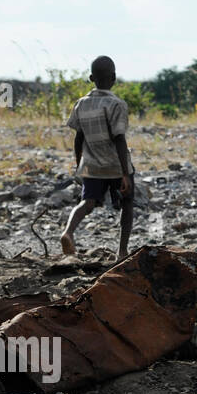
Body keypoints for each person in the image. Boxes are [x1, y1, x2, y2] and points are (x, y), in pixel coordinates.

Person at [60, 55, 134, 260]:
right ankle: (122, 252)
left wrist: (79, 165)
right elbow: (119, 139)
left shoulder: (81, 104)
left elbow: (78, 138)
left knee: (87, 202)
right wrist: (125, 174)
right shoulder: (116, 104)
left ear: (91, 78)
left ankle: (68, 232)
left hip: (91, 165)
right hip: (115, 165)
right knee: (127, 203)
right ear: (114, 77)